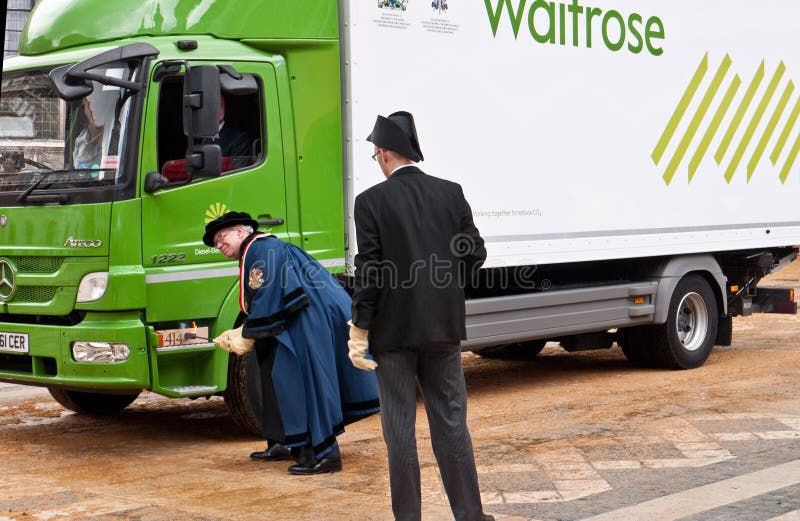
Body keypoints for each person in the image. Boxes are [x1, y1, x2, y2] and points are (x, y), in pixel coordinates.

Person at [348, 111, 493, 521]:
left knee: (399, 434)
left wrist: (360, 326)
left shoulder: (370, 202)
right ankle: (471, 516)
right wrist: (443, 287)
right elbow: (475, 253)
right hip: (443, 329)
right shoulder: (451, 193)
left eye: (375, 154)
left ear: (384, 153)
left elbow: (371, 270)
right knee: (451, 426)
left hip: (392, 334)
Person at [206, 211, 380, 475]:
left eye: (222, 237)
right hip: (299, 318)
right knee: (271, 375)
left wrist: (246, 332)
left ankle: (323, 455)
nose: (219, 245)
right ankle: (283, 442)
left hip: (305, 323)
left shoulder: (262, 251)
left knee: (306, 383)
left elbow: (267, 295)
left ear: (242, 232)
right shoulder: (259, 250)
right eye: (216, 242)